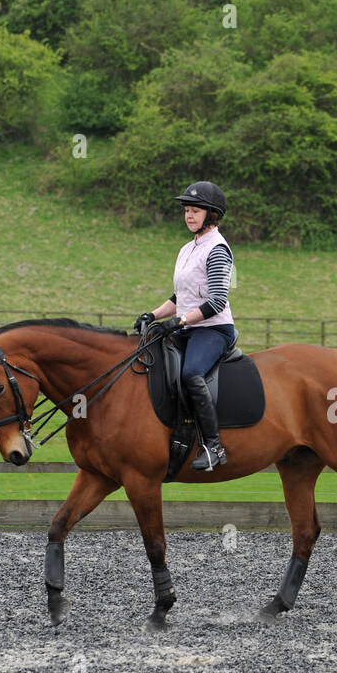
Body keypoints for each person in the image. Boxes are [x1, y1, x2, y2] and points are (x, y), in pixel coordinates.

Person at [133, 181, 237, 471]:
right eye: (187, 211)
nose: (189, 216)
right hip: (188, 328)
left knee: (192, 374)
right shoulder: (187, 249)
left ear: (212, 215)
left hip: (213, 330)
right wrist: (151, 316)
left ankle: (214, 446)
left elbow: (217, 301)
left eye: (195, 211)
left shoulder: (217, 249)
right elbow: (182, 297)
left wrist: (178, 321)